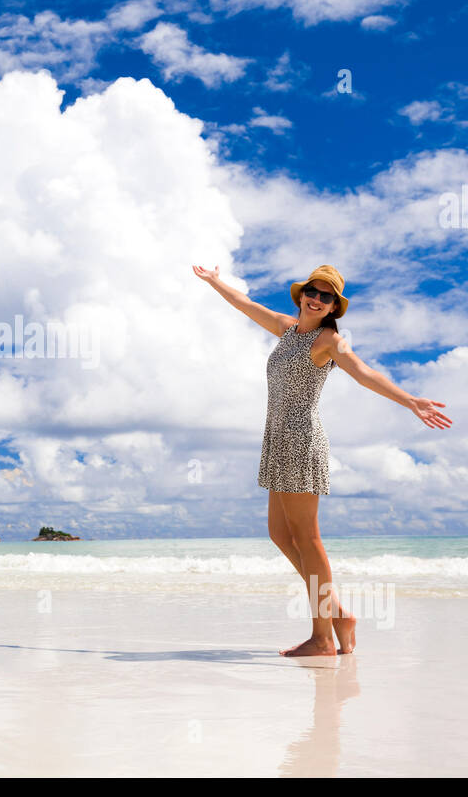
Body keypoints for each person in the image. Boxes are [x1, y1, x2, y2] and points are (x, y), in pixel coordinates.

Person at [192, 263, 452, 657]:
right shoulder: (286, 328)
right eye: (312, 292)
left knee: (308, 539)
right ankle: (339, 616)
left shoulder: (329, 340)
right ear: (302, 296)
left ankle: (323, 637)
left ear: (334, 307)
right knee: (280, 535)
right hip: (277, 440)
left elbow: (364, 374)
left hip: (301, 440)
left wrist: (410, 400)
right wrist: (215, 281)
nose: (317, 299)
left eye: (326, 296)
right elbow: (244, 304)